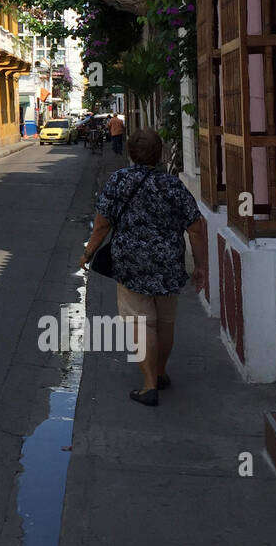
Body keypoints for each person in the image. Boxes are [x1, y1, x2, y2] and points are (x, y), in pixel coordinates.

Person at [79, 128, 208, 406]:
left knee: (140, 323)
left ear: (130, 153)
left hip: (130, 265)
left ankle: (149, 385)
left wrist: (88, 253)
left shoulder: (119, 181)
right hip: (168, 264)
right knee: (164, 323)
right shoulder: (172, 185)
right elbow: (196, 228)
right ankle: (160, 373)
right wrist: (200, 266)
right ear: (160, 153)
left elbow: (102, 224)